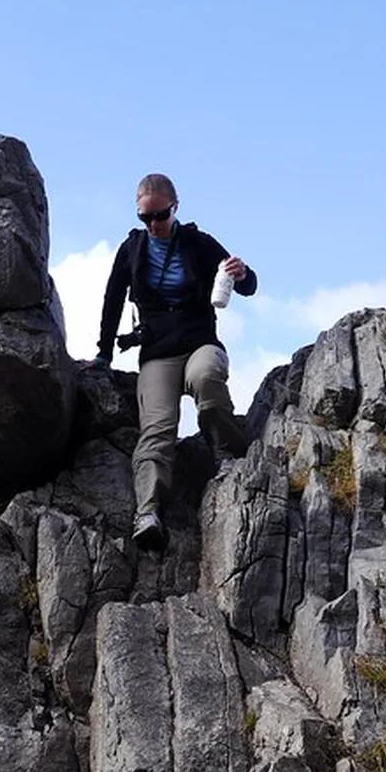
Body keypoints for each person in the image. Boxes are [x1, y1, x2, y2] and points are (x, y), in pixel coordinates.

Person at [94, 173, 257, 551]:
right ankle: (148, 513)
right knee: (157, 428)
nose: (152, 225)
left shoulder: (198, 243)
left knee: (208, 379)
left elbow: (247, 286)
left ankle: (227, 455)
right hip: (157, 353)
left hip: (200, 342)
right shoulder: (132, 249)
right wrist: (103, 353)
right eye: (144, 218)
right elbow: (112, 298)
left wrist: (243, 273)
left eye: (159, 216)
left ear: (175, 207)